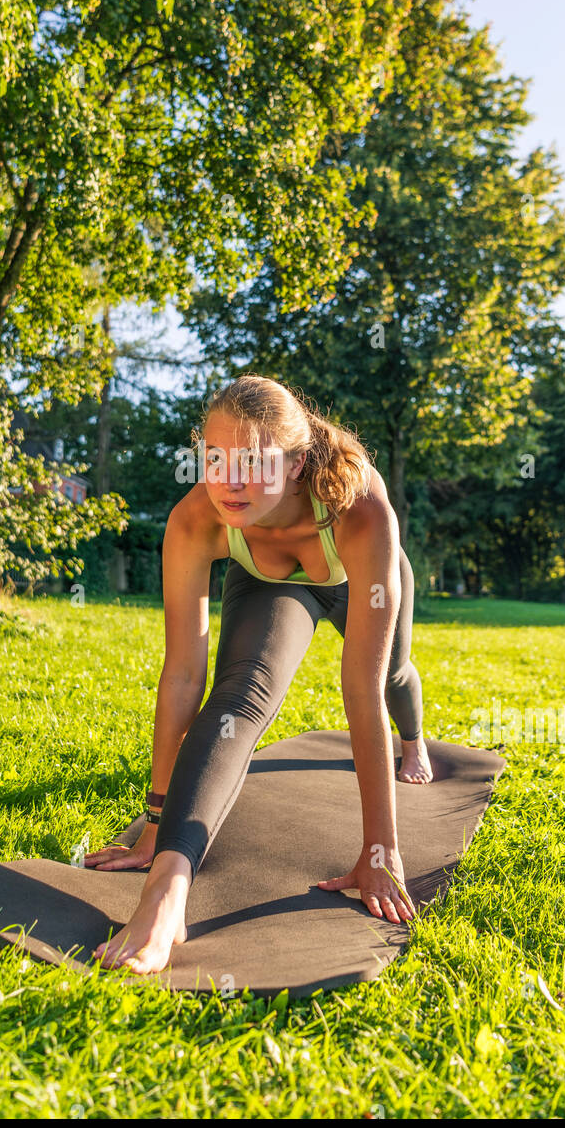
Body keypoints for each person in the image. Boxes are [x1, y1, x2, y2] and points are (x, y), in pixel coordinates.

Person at [83, 375, 431, 974]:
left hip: (357, 574)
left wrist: (380, 848)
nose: (229, 480)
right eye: (214, 458)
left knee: (393, 675)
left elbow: (358, 691)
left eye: (252, 461)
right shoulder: (200, 520)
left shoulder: (361, 509)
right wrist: (156, 823)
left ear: (296, 463)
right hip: (271, 584)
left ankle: (415, 741)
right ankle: (167, 895)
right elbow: (185, 675)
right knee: (236, 699)